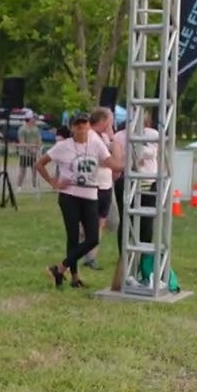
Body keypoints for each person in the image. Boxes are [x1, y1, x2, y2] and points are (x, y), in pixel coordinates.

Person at [36, 112, 122, 289]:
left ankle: (59, 268)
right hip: (70, 196)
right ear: (72, 127)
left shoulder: (95, 142)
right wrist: (53, 182)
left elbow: (110, 163)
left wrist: (127, 163)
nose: (81, 128)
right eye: (78, 125)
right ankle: (74, 277)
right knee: (73, 236)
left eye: (84, 124)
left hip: (90, 195)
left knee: (93, 238)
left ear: (89, 126)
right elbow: (39, 163)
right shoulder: (63, 146)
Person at [110, 110, 158, 291]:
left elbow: (151, 152)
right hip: (127, 181)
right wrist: (133, 157)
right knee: (127, 221)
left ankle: (146, 272)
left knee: (147, 224)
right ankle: (125, 268)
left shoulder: (153, 134)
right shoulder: (119, 136)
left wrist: (136, 153)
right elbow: (119, 158)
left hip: (148, 182)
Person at [81, 107, 116, 270]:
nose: (112, 122)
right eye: (110, 119)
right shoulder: (90, 136)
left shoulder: (105, 137)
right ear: (102, 120)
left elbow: (113, 157)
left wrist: (112, 138)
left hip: (106, 184)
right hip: (93, 184)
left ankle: (91, 257)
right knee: (88, 223)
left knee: (100, 222)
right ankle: (81, 250)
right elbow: (103, 160)